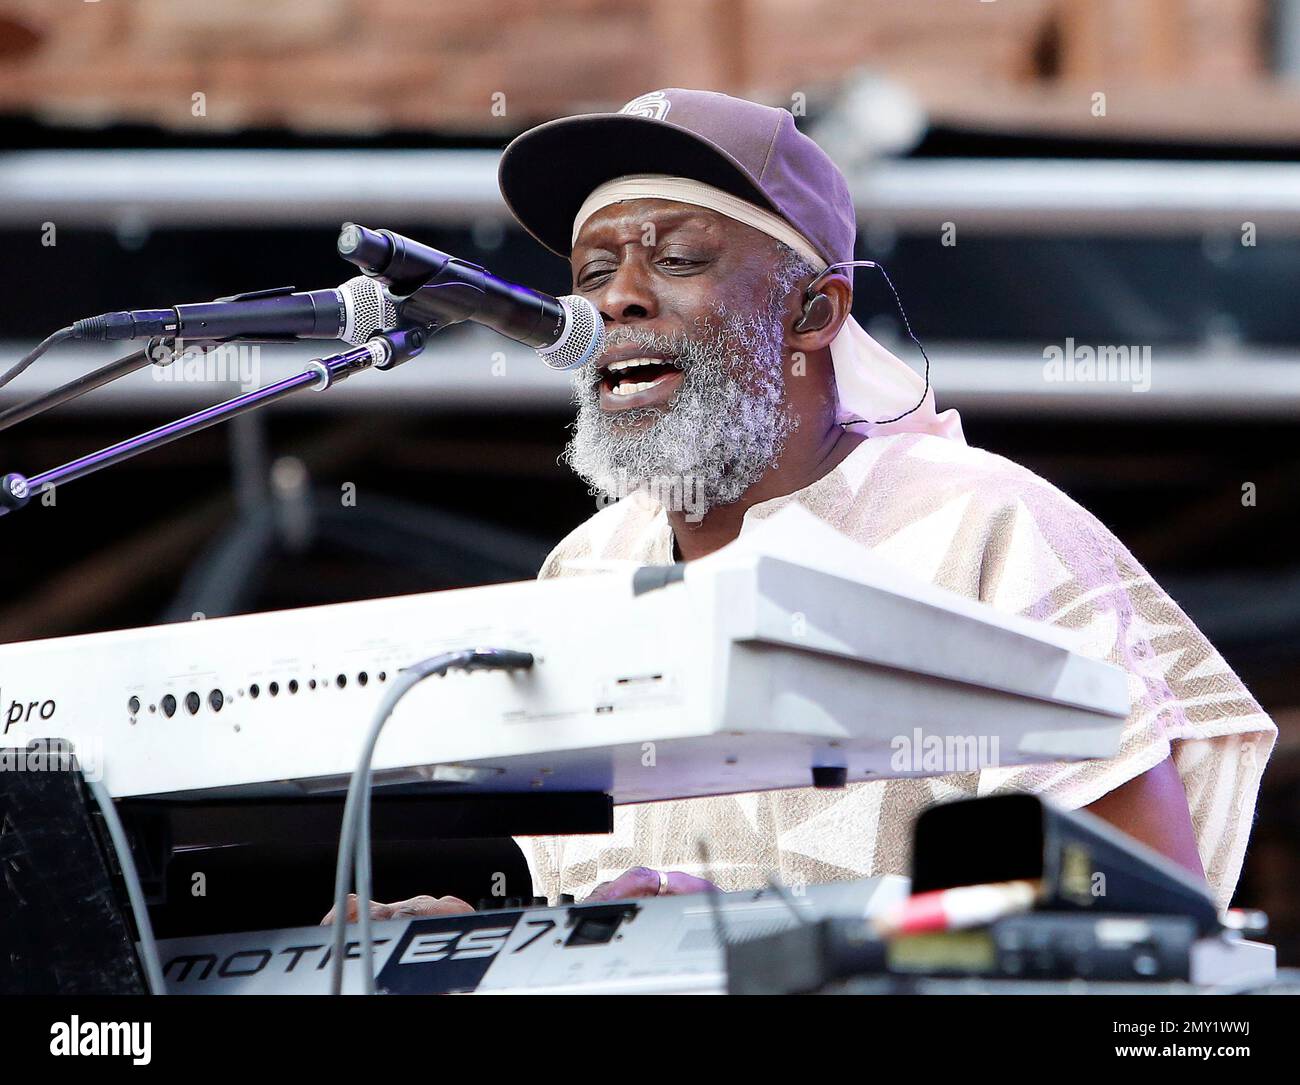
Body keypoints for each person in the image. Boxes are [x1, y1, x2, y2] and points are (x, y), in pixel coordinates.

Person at [324, 88, 1275, 926]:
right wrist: (474, 945)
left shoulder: (986, 526)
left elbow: (1141, 925)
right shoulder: (583, 570)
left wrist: (772, 931)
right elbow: (604, 922)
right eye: (590, 273)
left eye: (681, 259)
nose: (617, 300)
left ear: (813, 314)